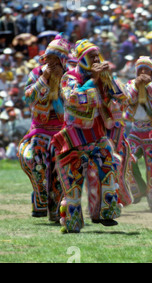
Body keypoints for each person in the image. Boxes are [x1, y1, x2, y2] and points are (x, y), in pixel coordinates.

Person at [52, 39, 127, 233]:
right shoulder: (69, 77)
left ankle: (107, 213)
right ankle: (72, 222)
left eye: (97, 55)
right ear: (81, 59)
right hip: (74, 139)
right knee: (74, 185)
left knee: (110, 167)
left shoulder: (103, 76)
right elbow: (73, 99)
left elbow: (122, 98)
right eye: (90, 56)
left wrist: (108, 79)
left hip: (98, 136)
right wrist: (94, 81)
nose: (95, 59)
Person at [17, 34, 70, 222]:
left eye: (57, 59)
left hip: (62, 131)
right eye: (50, 58)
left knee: (60, 170)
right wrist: (45, 78)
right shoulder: (36, 73)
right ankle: (39, 200)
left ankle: (56, 209)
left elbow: (73, 101)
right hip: (39, 129)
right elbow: (29, 98)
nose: (53, 63)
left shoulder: (70, 76)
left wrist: (60, 81)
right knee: (38, 163)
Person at [124, 56, 152, 211]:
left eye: (146, 69)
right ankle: (139, 189)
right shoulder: (131, 84)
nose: (143, 72)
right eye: (140, 69)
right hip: (136, 130)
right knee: (125, 157)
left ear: (151, 70)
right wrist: (137, 86)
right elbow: (127, 100)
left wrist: (148, 84)